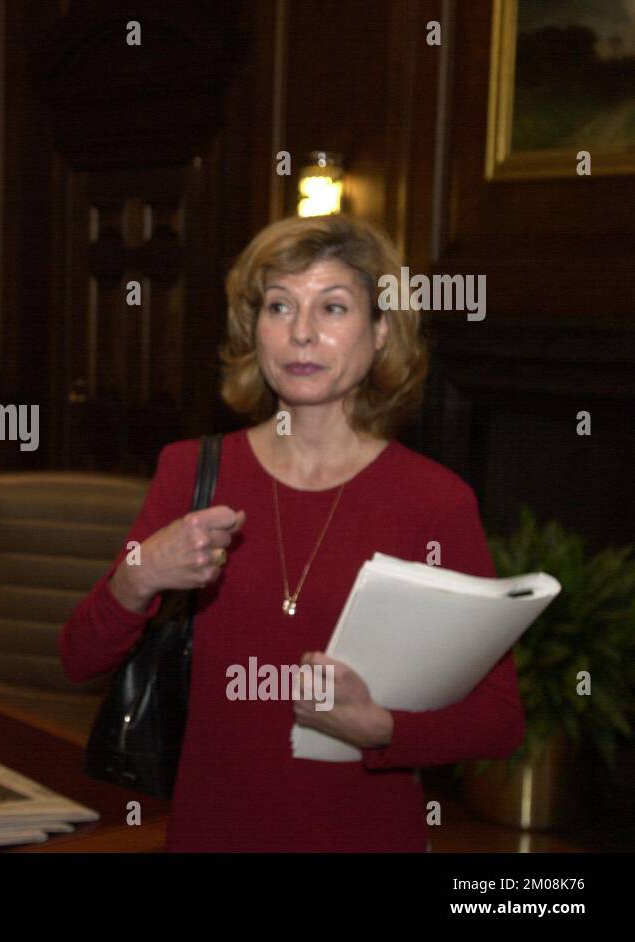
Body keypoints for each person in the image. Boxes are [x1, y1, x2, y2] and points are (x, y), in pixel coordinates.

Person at [60, 215, 524, 852]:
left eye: (333, 307)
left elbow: (499, 720)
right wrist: (138, 578)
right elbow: (78, 658)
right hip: (209, 836)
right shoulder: (191, 471)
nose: (301, 332)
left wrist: (381, 727)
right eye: (279, 306)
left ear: (382, 329)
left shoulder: (435, 502)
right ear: (254, 330)